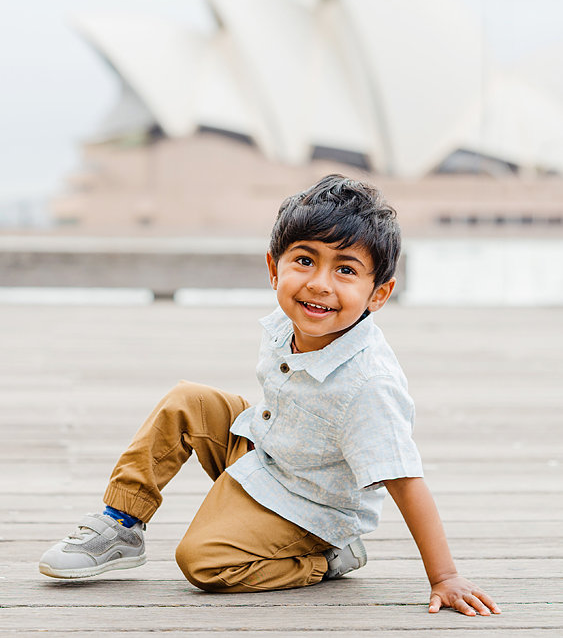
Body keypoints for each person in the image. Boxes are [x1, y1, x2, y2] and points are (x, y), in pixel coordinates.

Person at [39, 175, 500, 616]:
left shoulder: (368, 385)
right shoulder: (292, 320)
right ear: (273, 268)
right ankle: (122, 525)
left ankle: (329, 558)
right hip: (270, 449)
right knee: (188, 400)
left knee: (203, 559)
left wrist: (445, 576)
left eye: (345, 270)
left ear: (378, 294)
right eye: (305, 261)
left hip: (308, 507)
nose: (320, 283)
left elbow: (403, 477)